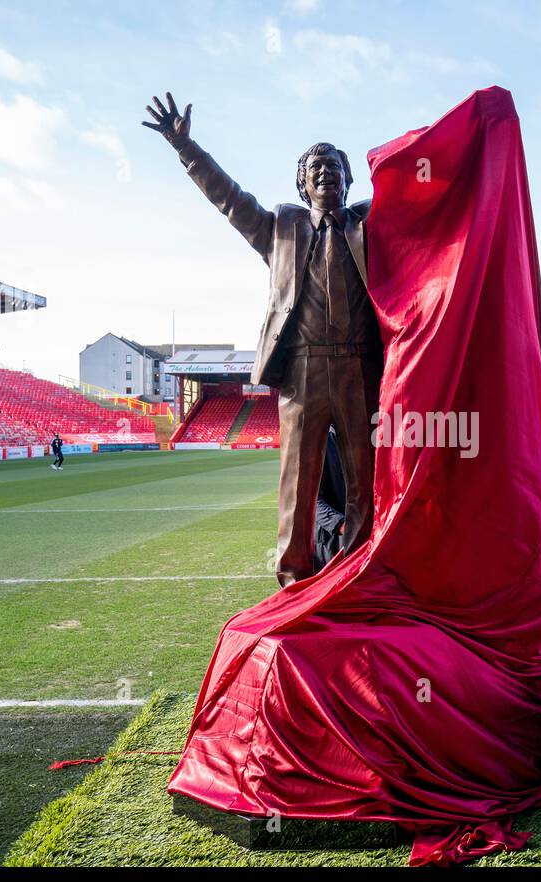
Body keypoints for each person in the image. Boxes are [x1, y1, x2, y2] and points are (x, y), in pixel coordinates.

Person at [144, 93, 383, 588]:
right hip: (301, 372)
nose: (325, 174)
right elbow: (229, 198)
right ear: (301, 183)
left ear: (350, 178)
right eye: (316, 168)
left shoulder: (371, 224)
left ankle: (358, 577)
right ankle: (294, 581)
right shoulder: (281, 227)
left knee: (367, 481)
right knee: (298, 481)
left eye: (335, 166)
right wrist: (186, 148)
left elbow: (426, 208)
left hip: (360, 368)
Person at [313, 428, 346, 573]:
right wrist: (341, 524)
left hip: (367, 539)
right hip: (333, 540)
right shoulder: (319, 441)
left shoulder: (371, 437)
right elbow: (311, 501)